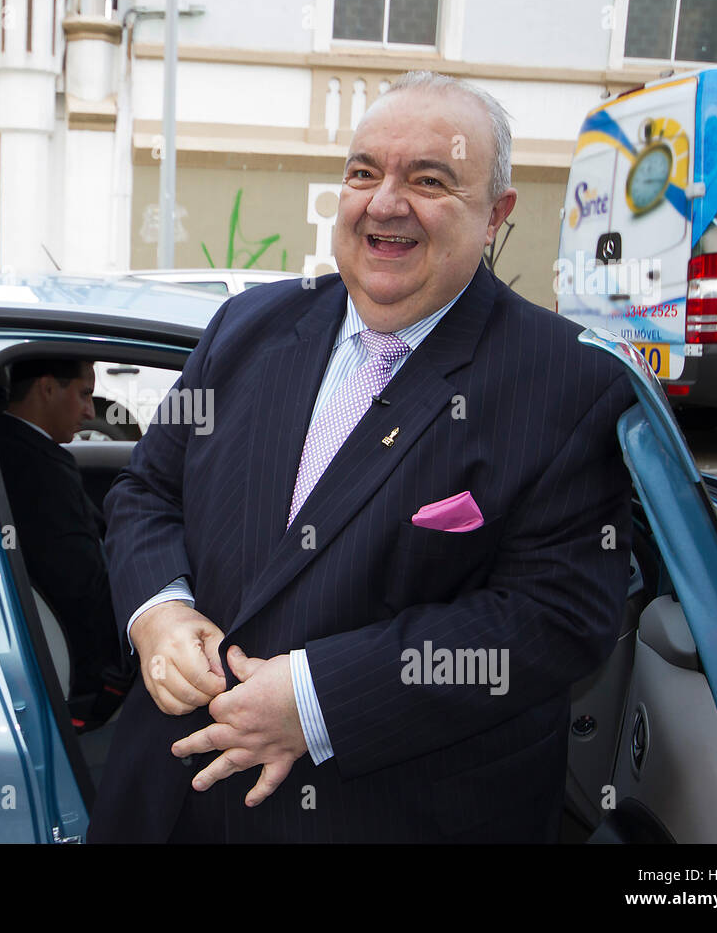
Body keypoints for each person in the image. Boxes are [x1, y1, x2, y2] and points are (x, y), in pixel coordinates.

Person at [88, 71, 638, 843]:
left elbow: (556, 618)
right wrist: (159, 612)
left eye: (430, 179)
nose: (385, 202)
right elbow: (146, 491)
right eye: (363, 172)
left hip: (387, 811)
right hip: (171, 799)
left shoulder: (570, 381)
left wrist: (318, 701)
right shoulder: (244, 328)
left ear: (496, 216)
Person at [0, 358, 134, 732]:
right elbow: (81, 586)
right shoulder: (38, 470)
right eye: (85, 393)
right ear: (47, 387)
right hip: (77, 679)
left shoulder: (7, 447)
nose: (90, 410)